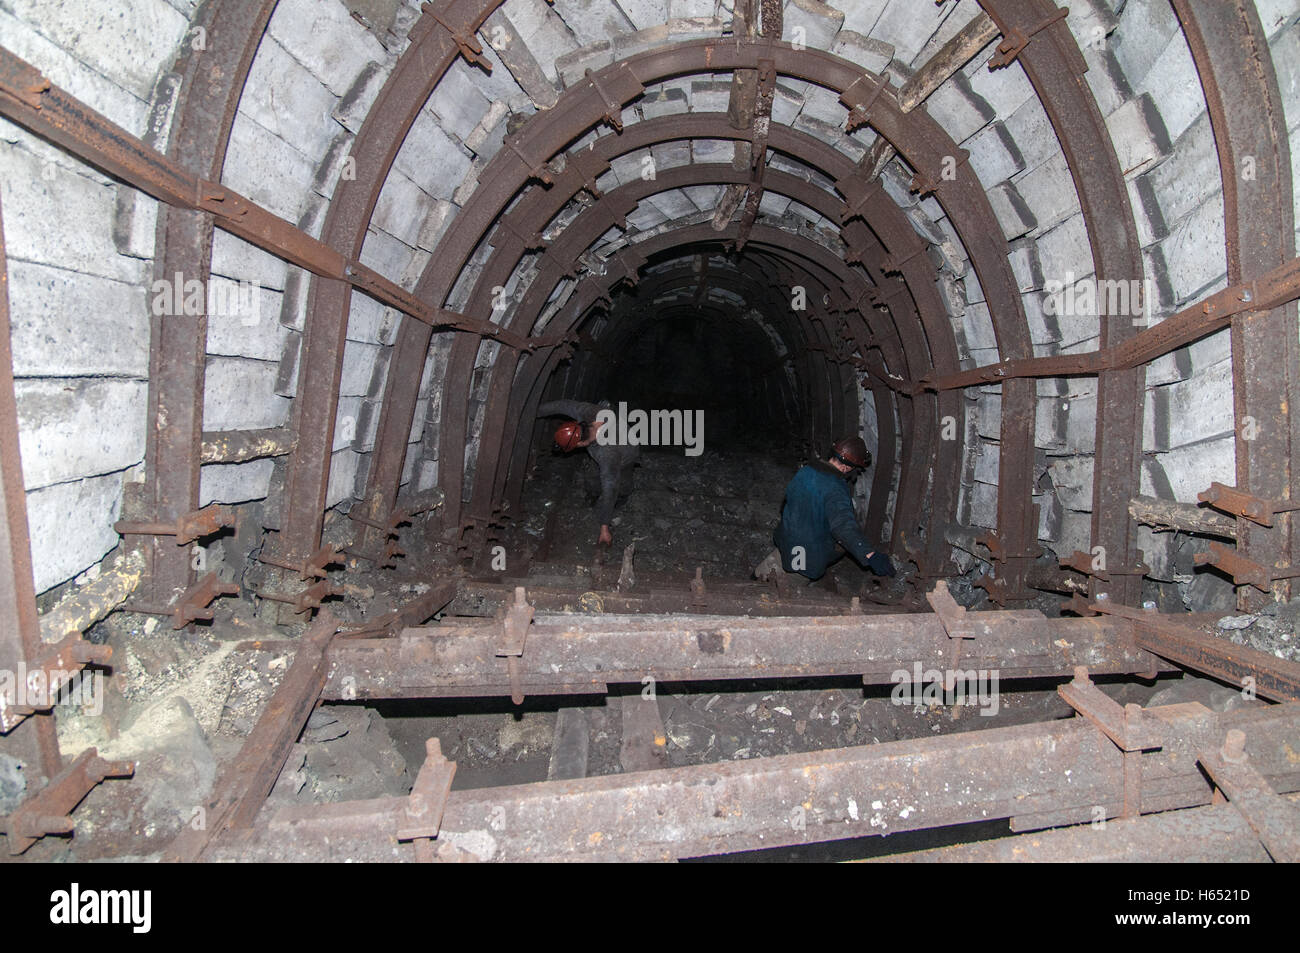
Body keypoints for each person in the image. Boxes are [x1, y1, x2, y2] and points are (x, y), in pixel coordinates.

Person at [754, 435, 894, 584]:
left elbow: (790, 502)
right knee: (781, 597)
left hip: (786, 541)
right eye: (855, 469)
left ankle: (759, 576)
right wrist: (870, 555)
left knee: (758, 579)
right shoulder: (836, 489)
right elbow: (843, 527)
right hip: (805, 556)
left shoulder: (805, 471)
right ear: (846, 467)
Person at [537, 398, 639, 547]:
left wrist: (604, 527)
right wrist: (536, 411)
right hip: (612, 441)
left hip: (627, 453)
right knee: (592, 476)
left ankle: (623, 497)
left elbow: (610, 488)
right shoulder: (588, 413)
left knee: (622, 484)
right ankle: (592, 494)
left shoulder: (607, 453)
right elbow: (562, 405)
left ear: (580, 443)